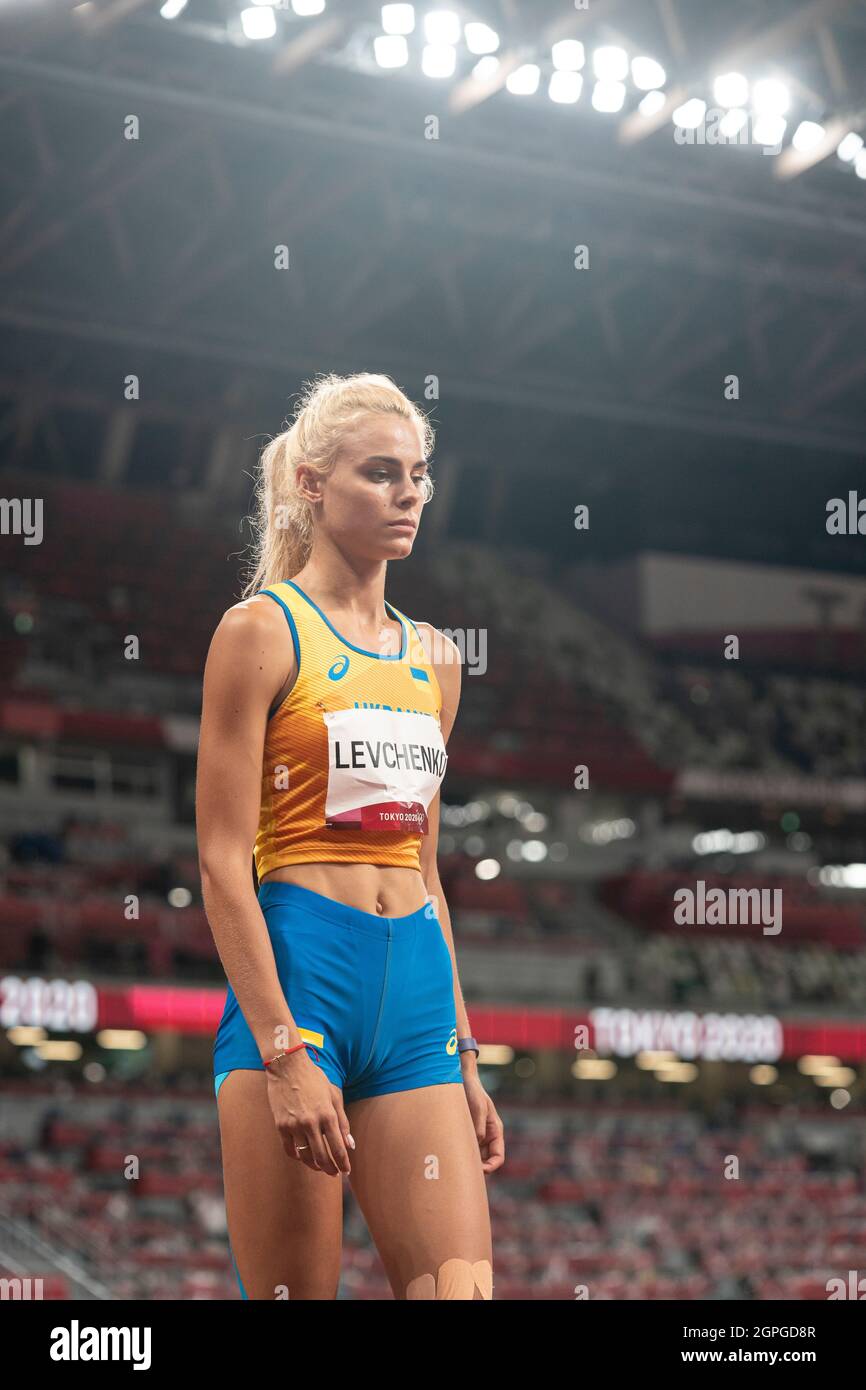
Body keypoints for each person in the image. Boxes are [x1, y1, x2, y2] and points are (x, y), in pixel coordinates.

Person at [196, 372, 503, 1300]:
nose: (408, 492)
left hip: (414, 999)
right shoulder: (260, 632)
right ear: (311, 485)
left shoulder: (437, 660)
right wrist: (283, 1051)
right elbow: (219, 859)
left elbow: (427, 868)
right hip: (301, 985)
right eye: (380, 472)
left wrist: (466, 1052)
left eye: (418, 475)